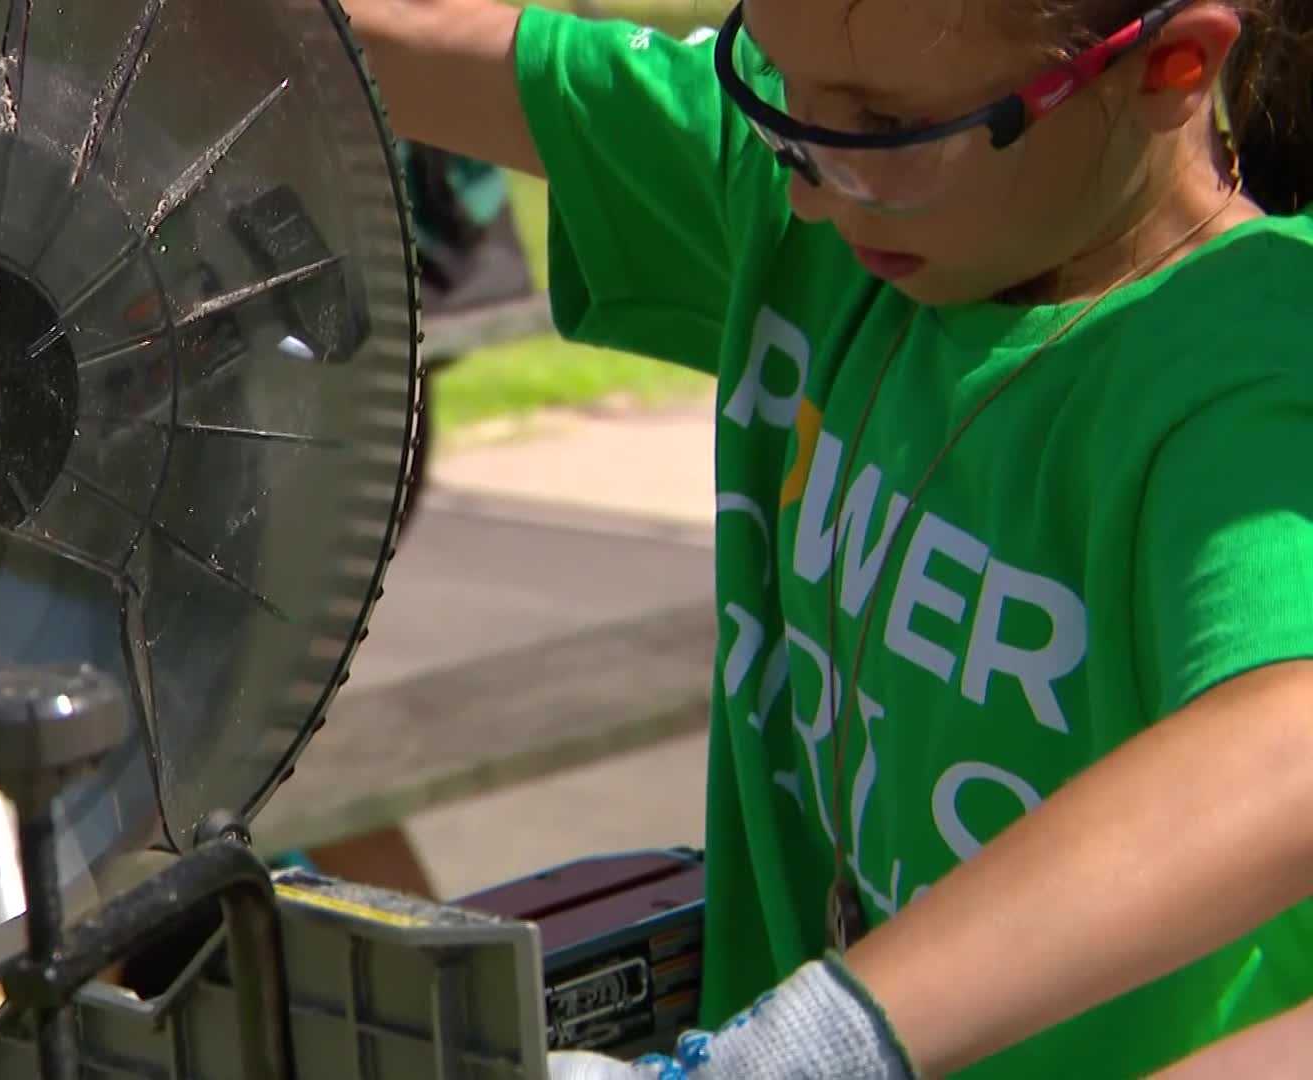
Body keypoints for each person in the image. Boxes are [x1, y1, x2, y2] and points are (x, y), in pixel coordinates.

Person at [343, 0, 1313, 1076]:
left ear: (1171, 66)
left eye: (888, 129)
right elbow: (367, 34)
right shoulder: (836, 175)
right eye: (775, 85)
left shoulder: (1256, 368)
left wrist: (808, 1049)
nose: (807, 193)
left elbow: (1288, 738)